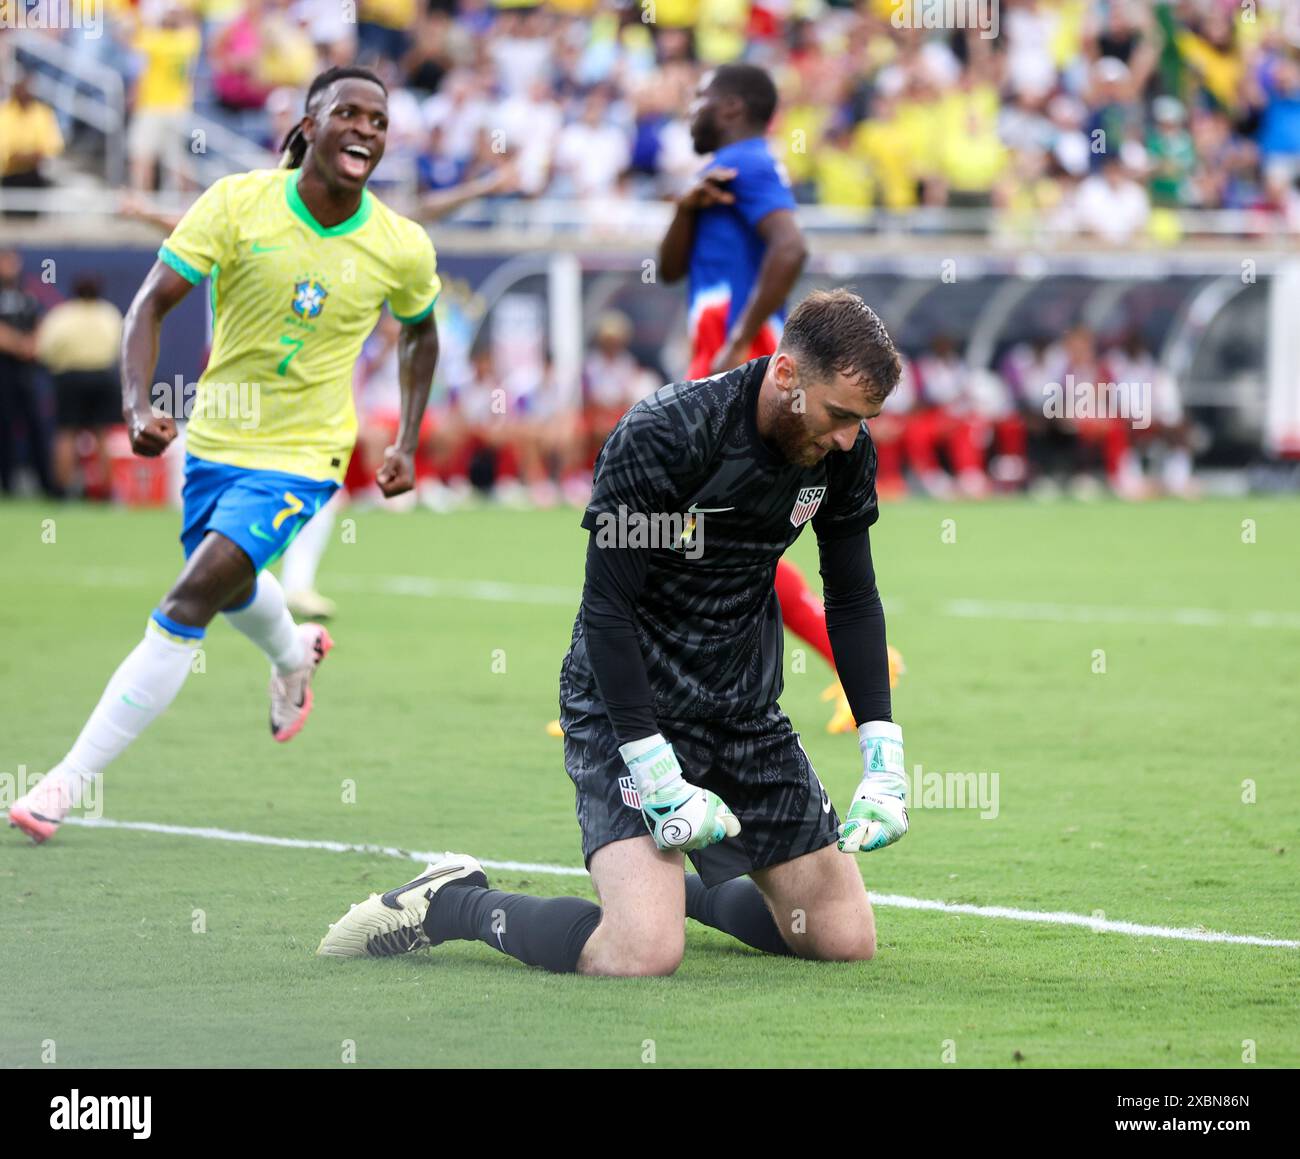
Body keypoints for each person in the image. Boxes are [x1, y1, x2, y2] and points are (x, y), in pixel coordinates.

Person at [319, 289, 910, 976]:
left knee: (841, 938)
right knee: (640, 952)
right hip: (625, 706)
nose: (848, 437)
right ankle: (456, 900)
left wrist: (883, 754)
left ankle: (675, 894)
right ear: (784, 374)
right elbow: (606, 607)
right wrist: (651, 758)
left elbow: (852, 594)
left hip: (742, 711)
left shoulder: (843, 450)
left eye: (862, 420)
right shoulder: (667, 432)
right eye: (839, 414)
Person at [8, 67, 442, 844]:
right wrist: (138, 404)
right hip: (211, 443)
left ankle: (62, 785)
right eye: (349, 113)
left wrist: (408, 439)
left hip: (303, 457)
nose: (367, 131)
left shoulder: (399, 244)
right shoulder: (236, 204)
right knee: (234, 585)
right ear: (308, 125)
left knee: (191, 596)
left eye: (380, 122)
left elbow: (421, 330)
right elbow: (151, 304)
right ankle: (295, 652)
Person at [659, 61, 898, 733]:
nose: (693, 107)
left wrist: (739, 341)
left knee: (696, 525)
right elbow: (672, 266)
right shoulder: (726, 173)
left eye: (702, 96)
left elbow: (790, 247)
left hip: (736, 351)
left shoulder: (748, 163)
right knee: (696, 526)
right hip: (723, 345)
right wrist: (685, 206)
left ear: (731, 106)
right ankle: (634, 686)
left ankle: (629, 691)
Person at [35, 275, 125, 497]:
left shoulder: (62, 315)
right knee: (103, 434)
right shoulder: (110, 314)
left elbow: (45, 349)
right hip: (102, 377)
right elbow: (123, 347)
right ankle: (105, 492)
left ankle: (61, 491)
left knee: (66, 432)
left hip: (70, 378)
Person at [0, 249, 59, 498]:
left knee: (38, 423)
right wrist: (18, 345)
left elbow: (40, 323)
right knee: (4, 426)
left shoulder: (28, 295)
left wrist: (32, 344)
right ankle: (8, 485)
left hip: (28, 372)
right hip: (4, 371)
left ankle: (48, 484)